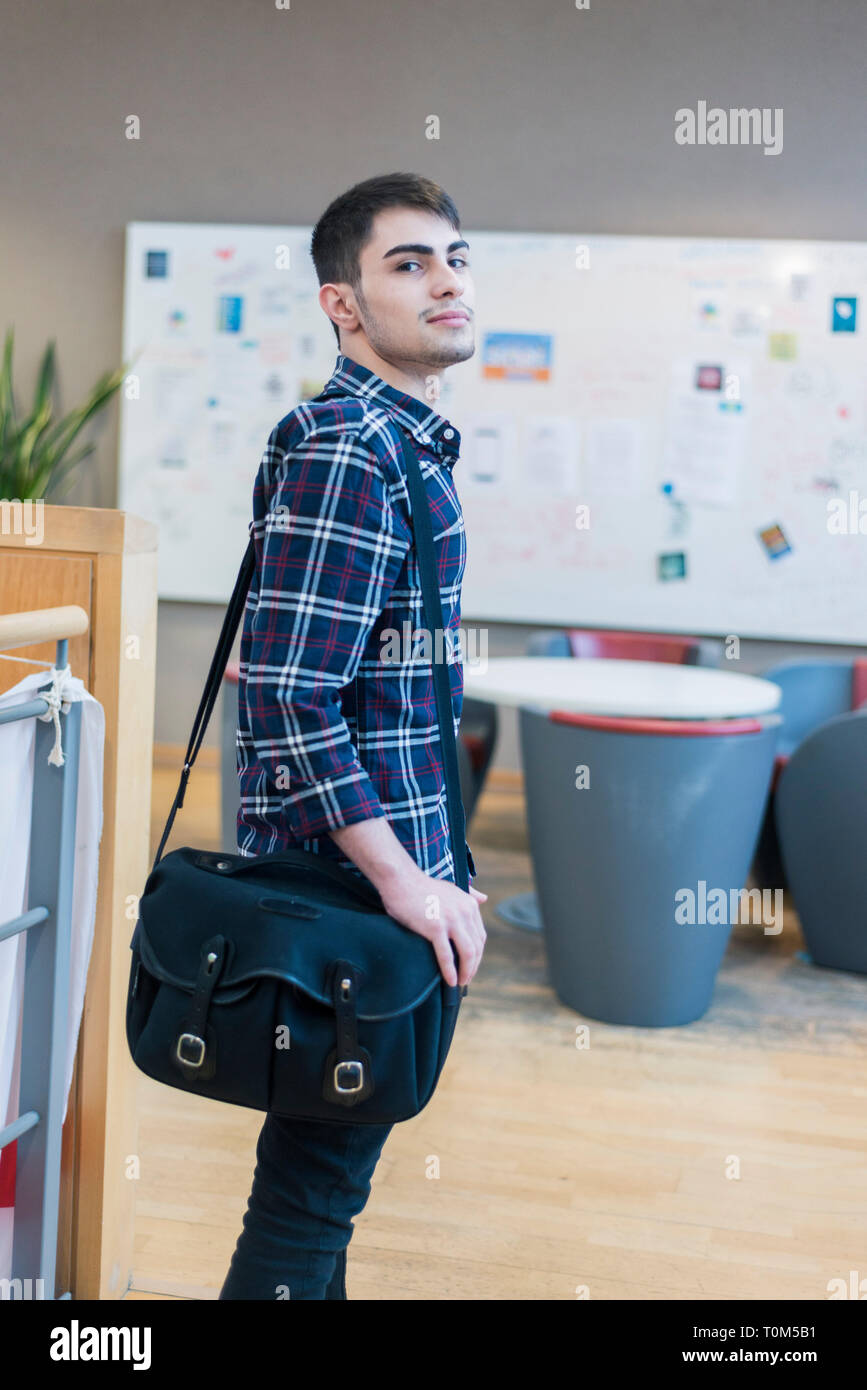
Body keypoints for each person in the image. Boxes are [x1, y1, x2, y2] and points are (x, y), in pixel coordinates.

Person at [219, 172, 487, 1300]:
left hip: (391, 871)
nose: (445, 282)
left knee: (319, 1183)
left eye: (456, 259)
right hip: (355, 889)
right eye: (408, 263)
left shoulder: (398, 445)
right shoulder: (350, 451)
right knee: (311, 1192)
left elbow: (303, 665)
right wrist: (407, 885)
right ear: (343, 303)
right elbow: (288, 692)